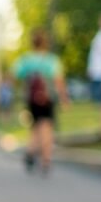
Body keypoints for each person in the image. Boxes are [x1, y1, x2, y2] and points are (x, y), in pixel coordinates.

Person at [13, 29, 68, 175]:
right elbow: (58, 80)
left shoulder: (26, 60)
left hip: (31, 99)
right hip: (48, 98)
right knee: (47, 127)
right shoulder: (51, 60)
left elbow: (16, 75)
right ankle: (46, 159)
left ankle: (31, 152)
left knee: (36, 126)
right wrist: (64, 98)